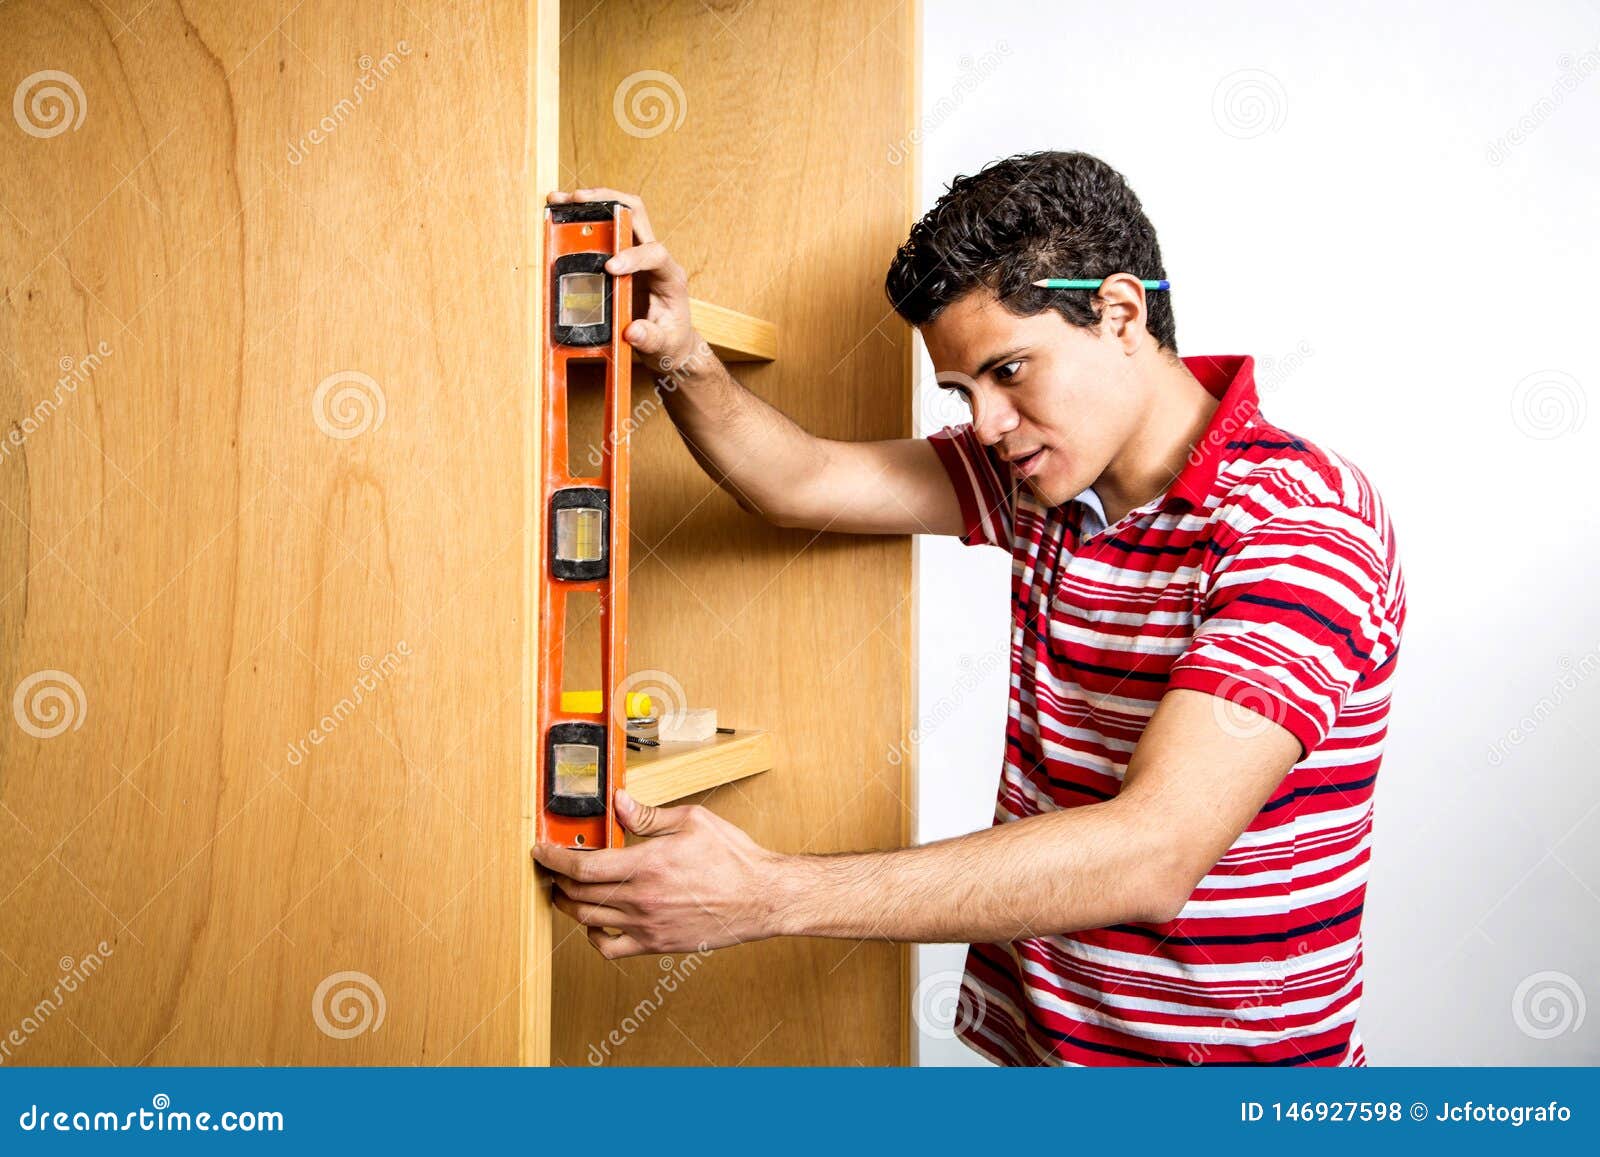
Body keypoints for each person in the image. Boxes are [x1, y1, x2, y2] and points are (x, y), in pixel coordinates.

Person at [532, 150, 1406, 1067]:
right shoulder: (1045, 479)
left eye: (1011, 370)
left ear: (1118, 313)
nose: (985, 422)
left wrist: (766, 892)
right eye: (964, 391)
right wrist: (681, 354)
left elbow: (1152, 852)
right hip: (1043, 1058)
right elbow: (800, 481)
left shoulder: (1298, 524)